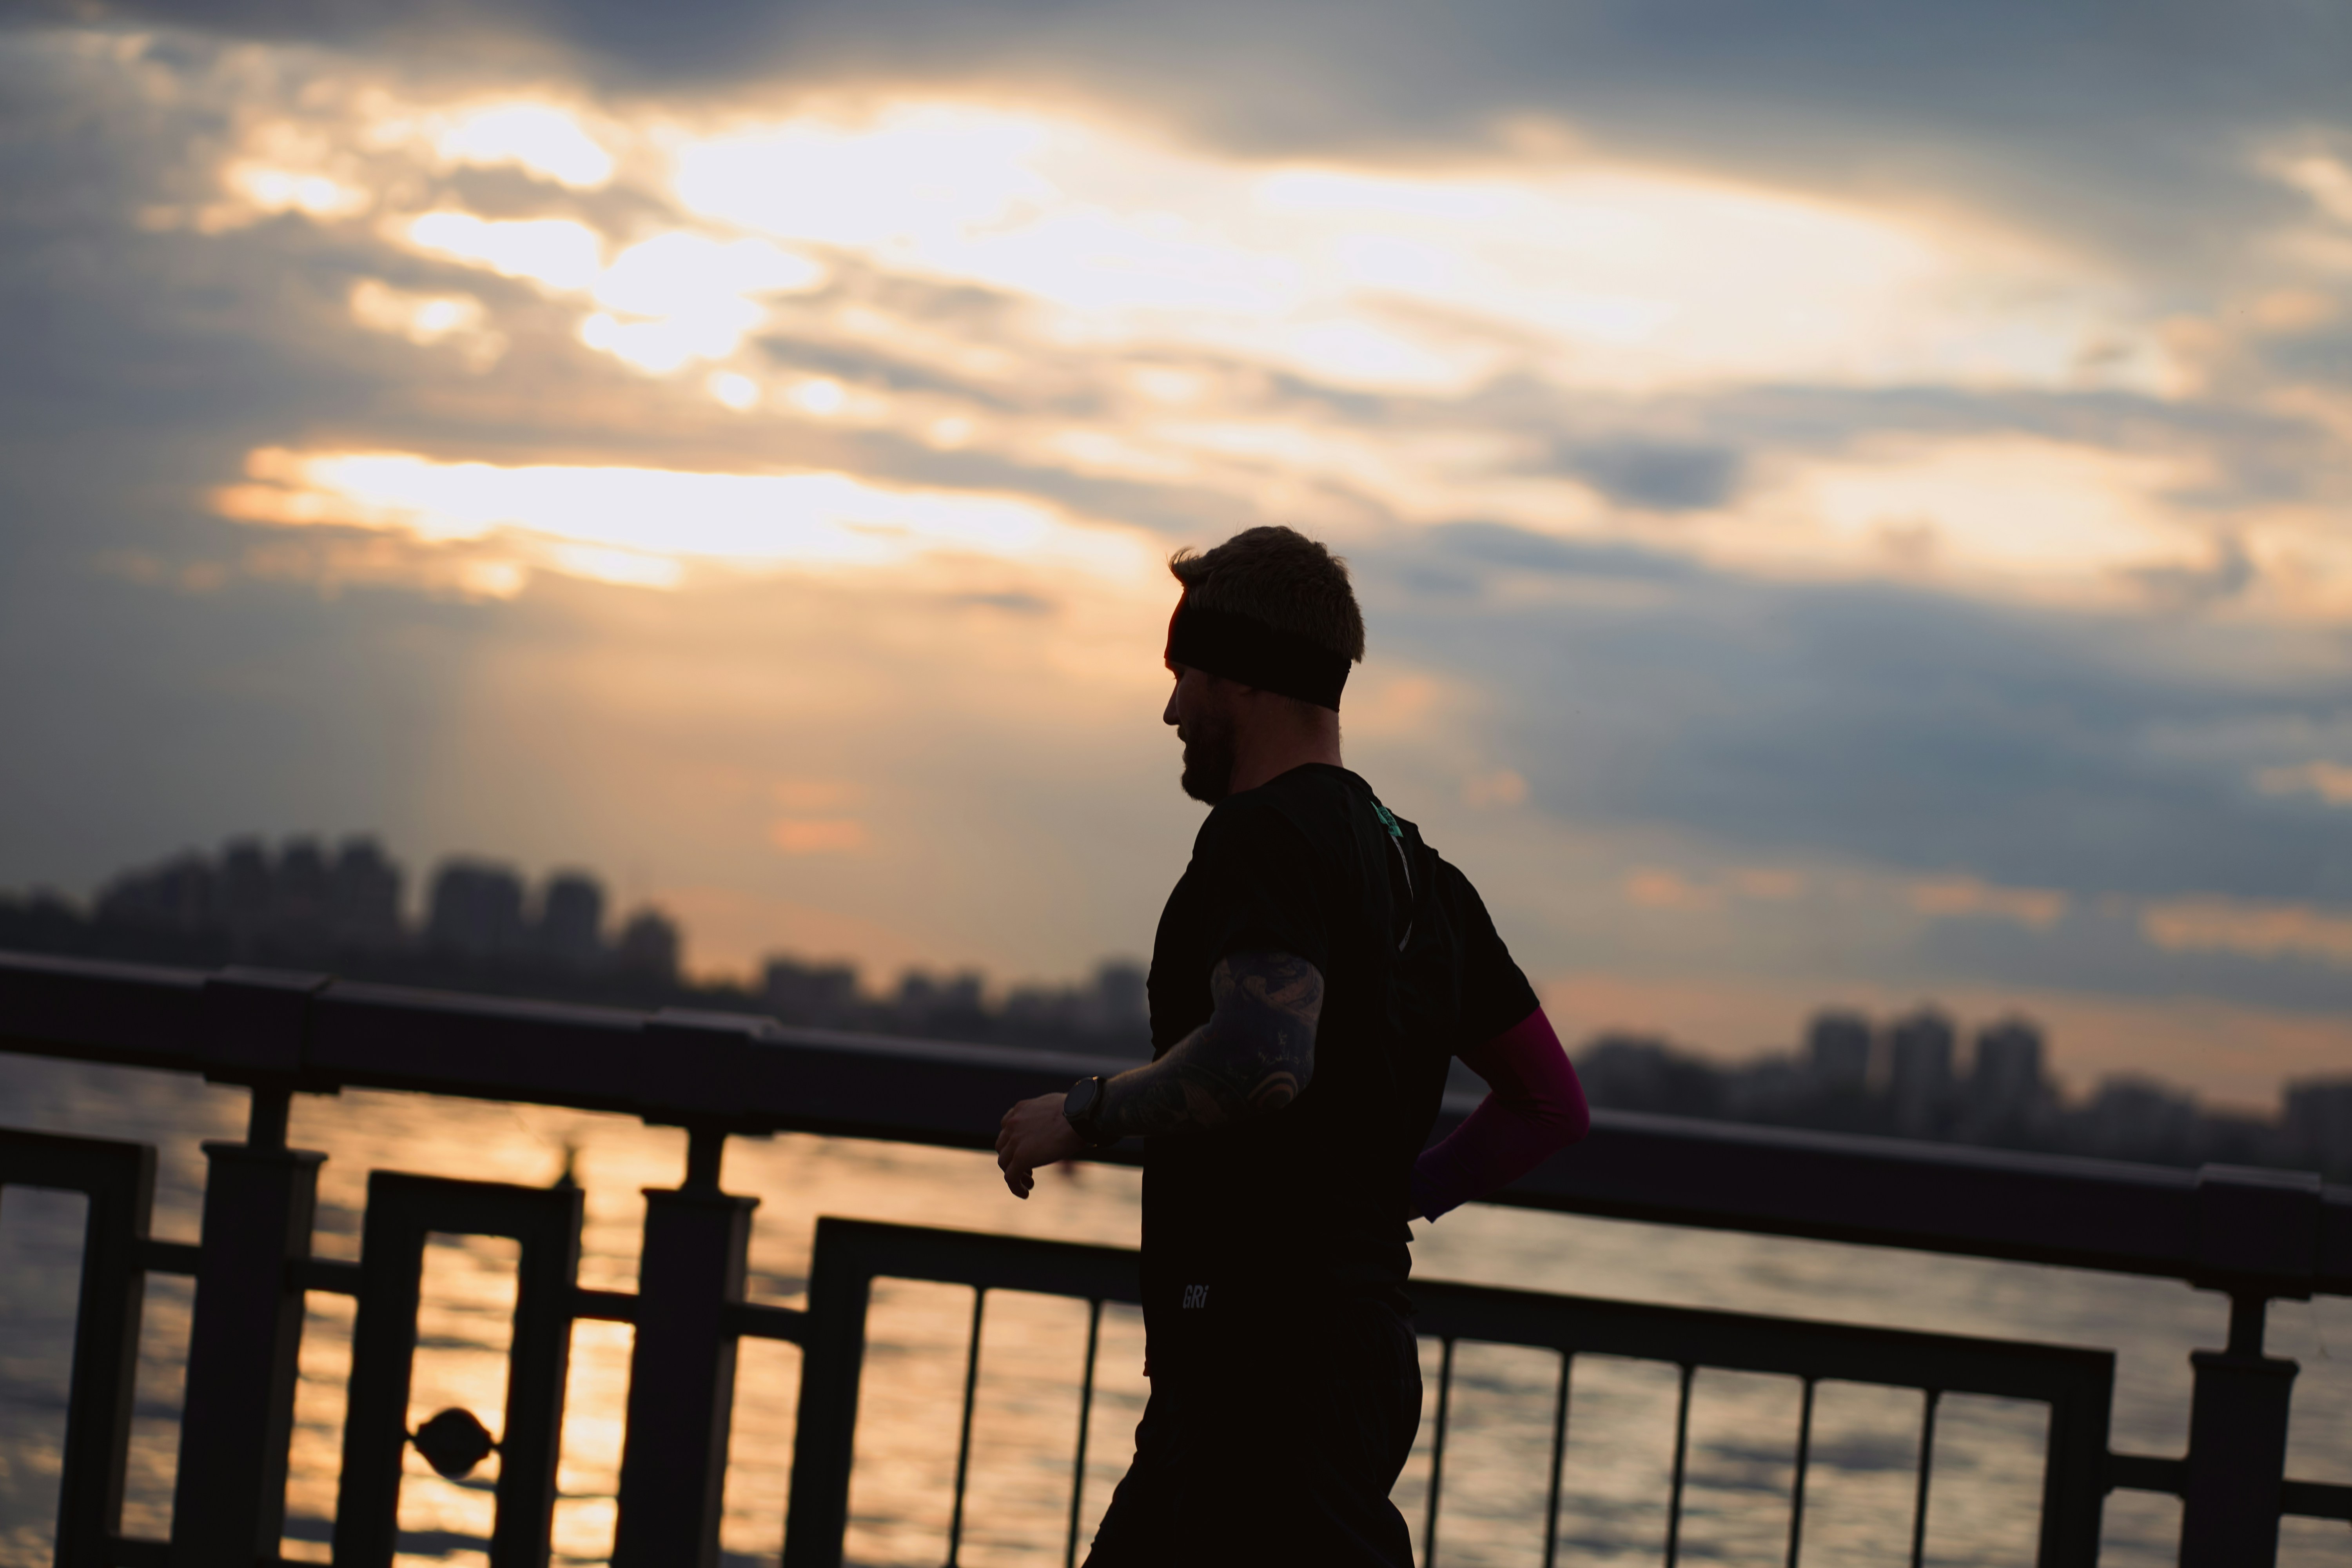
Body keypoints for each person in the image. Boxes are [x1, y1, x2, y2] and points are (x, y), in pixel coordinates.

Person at [996, 525, 1590, 1566]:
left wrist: (1081, 1113)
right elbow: (1547, 1105)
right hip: (1343, 1357)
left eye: (1184, 675)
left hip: (1260, 1374)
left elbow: (1261, 1059)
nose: (1172, 708)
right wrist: (1391, 1195)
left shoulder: (1262, 837)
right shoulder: (1425, 878)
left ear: (1243, 679)